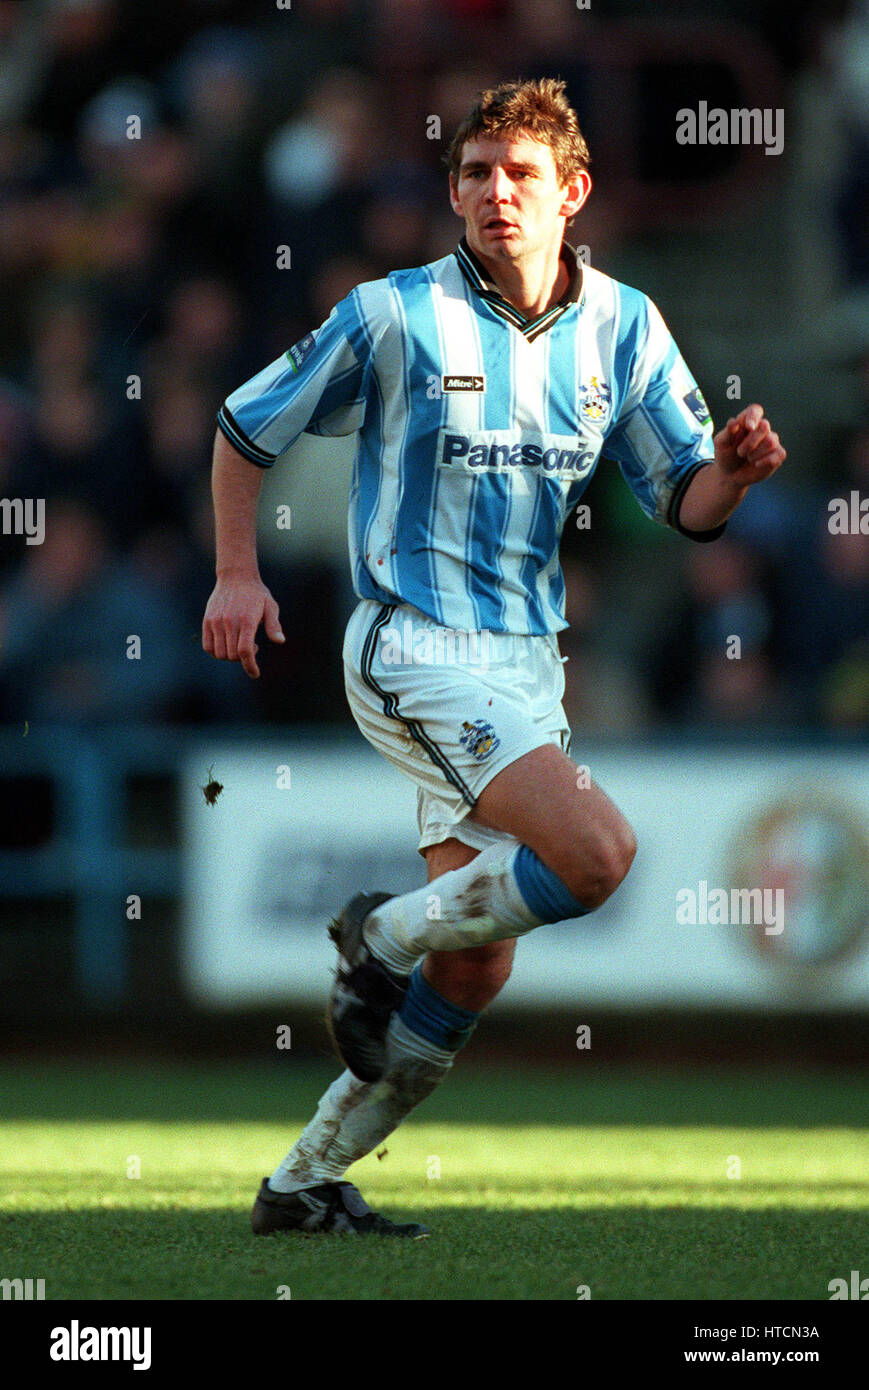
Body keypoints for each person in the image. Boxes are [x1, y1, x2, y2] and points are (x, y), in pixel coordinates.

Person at [202, 78, 785, 1238]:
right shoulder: (391, 314)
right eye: (473, 172)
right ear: (453, 191)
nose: (493, 192)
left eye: (519, 173)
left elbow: (682, 498)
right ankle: (378, 932)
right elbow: (241, 422)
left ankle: (304, 1179)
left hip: (524, 661)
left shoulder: (624, 325)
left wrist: (735, 470)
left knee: (472, 975)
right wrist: (235, 571)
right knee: (598, 852)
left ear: (571, 191)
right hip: (407, 643)